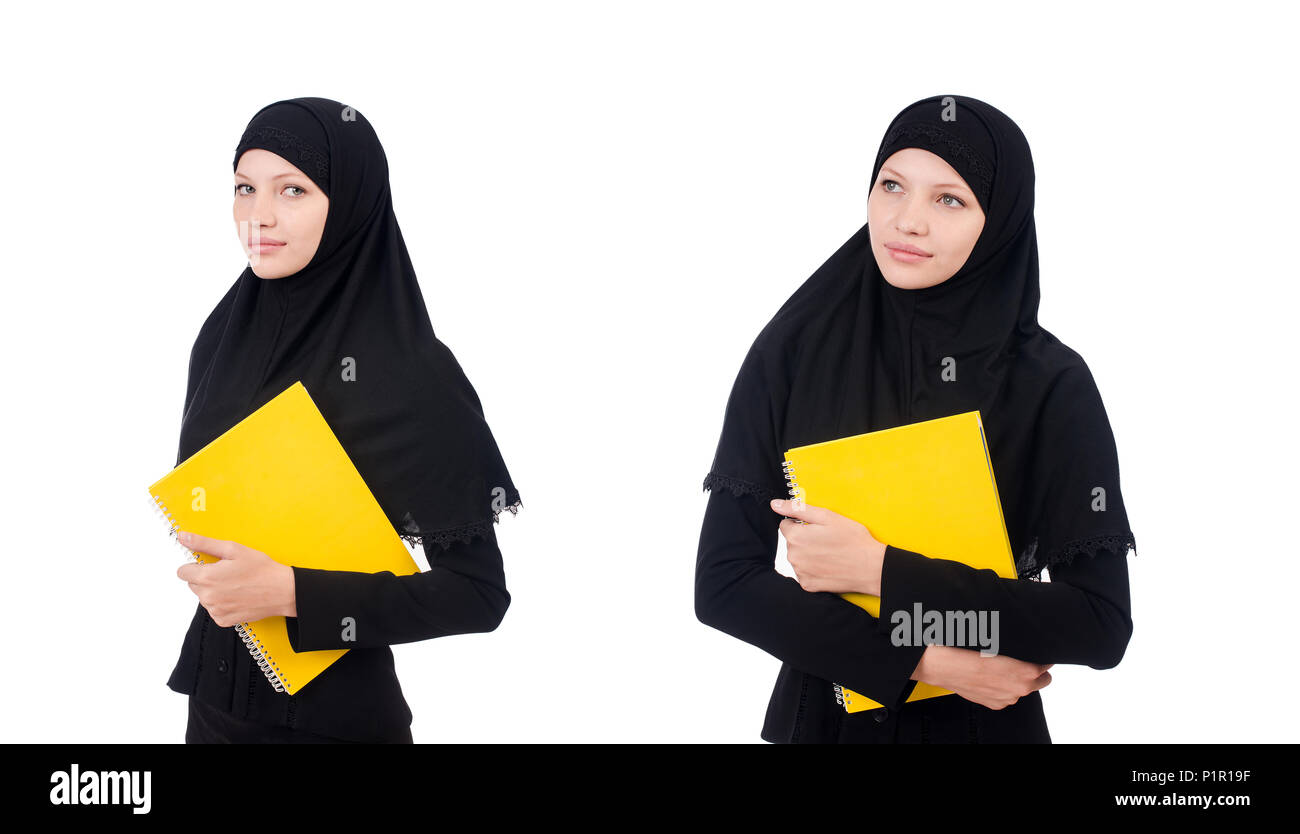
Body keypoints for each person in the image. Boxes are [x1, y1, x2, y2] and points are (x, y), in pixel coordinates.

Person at [695, 94, 1136, 743]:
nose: (907, 221)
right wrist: (919, 662)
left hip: (984, 732)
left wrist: (879, 571)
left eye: (948, 199)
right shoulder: (791, 352)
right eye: (891, 186)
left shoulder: (1052, 385)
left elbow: (1098, 624)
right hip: (824, 726)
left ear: (1000, 220)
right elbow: (725, 585)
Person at [167, 97, 521, 744]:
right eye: (244, 188)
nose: (258, 217)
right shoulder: (221, 336)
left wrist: (294, 593)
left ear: (351, 202)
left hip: (335, 729)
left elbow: (478, 593)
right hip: (211, 713)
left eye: (293, 190)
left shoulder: (414, 375)